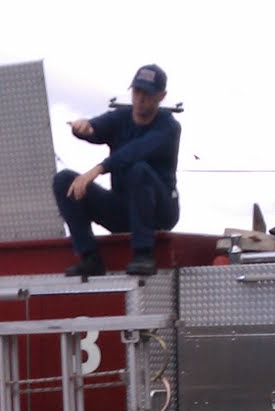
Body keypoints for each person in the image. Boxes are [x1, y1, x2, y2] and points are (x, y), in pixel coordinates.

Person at [53, 64, 180, 279]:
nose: (140, 99)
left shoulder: (168, 127)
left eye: (147, 94)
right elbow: (96, 127)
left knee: (139, 170)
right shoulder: (121, 118)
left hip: (160, 212)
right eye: (137, 92)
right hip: (123, 212)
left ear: (161, 96)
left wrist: (97, 170)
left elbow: (134, 152)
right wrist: (83, 128)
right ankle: (89, 256)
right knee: (64, 180)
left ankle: (143, 254)